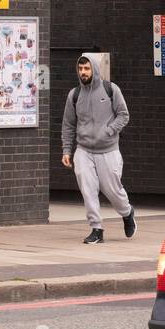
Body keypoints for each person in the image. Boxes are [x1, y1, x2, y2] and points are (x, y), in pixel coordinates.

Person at [61, 53, 137, 245]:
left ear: (94, 69)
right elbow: (68, 125)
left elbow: (123, 115)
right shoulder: (74, 95)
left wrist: (109, 131)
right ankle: (96, 229)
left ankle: (127, 212)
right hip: (84, 150)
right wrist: (66, 150)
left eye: (87, 68)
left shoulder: (111, 89)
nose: (83, 72)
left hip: (108, 149)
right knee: (88, 189)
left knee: (113, 190)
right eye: (80, 69)